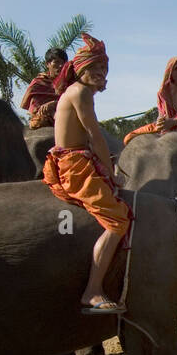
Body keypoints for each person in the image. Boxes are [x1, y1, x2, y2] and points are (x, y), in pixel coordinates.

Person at [42, 33, 132, 314]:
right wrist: (111, 172)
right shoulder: (80, 93)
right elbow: (95, 136)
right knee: (118, 221)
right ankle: (92, 291)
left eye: (103, 69)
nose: (100, 74)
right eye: (94, 68)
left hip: (76, 160)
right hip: (75, 166)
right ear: (81, 70)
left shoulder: (76, 92)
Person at [122, 56, 177, 147]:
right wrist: (161, 122)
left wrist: (175, 122)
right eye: (176, 69)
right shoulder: (163, 93)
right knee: (129, 137)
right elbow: (162, 115)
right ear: (170, 72)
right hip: (167, 127)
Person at [21, 47, 67, 128]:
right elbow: (35, 108)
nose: (61, 66)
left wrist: (55, 104)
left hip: (67, 118)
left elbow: (76, 103)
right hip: (42, 120)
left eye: (63, 63)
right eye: (56, 62)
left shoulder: (70, 83)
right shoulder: (38, 82)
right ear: (47, 64)